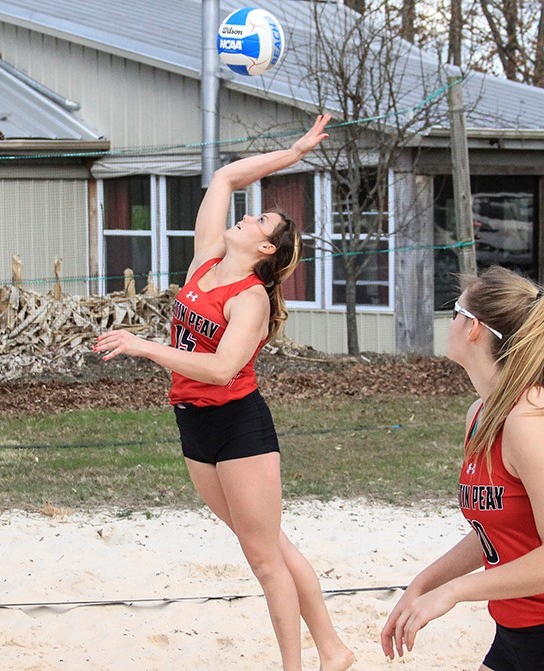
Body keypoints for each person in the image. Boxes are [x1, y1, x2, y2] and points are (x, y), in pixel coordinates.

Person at [94, 114, 355, 671]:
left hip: (239, 427)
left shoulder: (250, 298)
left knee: (264, 559)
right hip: (193, 423)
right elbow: (225, 178)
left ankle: (300, 664)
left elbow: (220, 369)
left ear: (264, 247)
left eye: (261, 219)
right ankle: (333, 649)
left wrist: (145, 347)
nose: (247, 215)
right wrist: (294, 153)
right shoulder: (206, 261)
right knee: (272, 547)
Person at [380, 266, 544, 671]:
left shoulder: (531, 419)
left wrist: (454, 592)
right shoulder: (480, 414)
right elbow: (498, 529)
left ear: (474, 328)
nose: (448, 322)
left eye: (454, 312)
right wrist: (423, 585)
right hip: (516, 639)